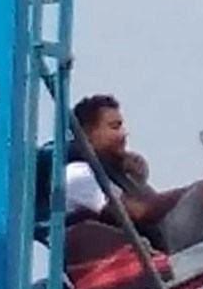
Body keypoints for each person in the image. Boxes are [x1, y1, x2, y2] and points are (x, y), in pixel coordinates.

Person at [59, 92, 184, 235]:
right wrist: (192, 192)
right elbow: (139, 211)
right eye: (114, 127)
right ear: (87, 133)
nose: (124, 134)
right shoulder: (78, 175)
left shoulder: (114, 174)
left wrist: (137, 182)